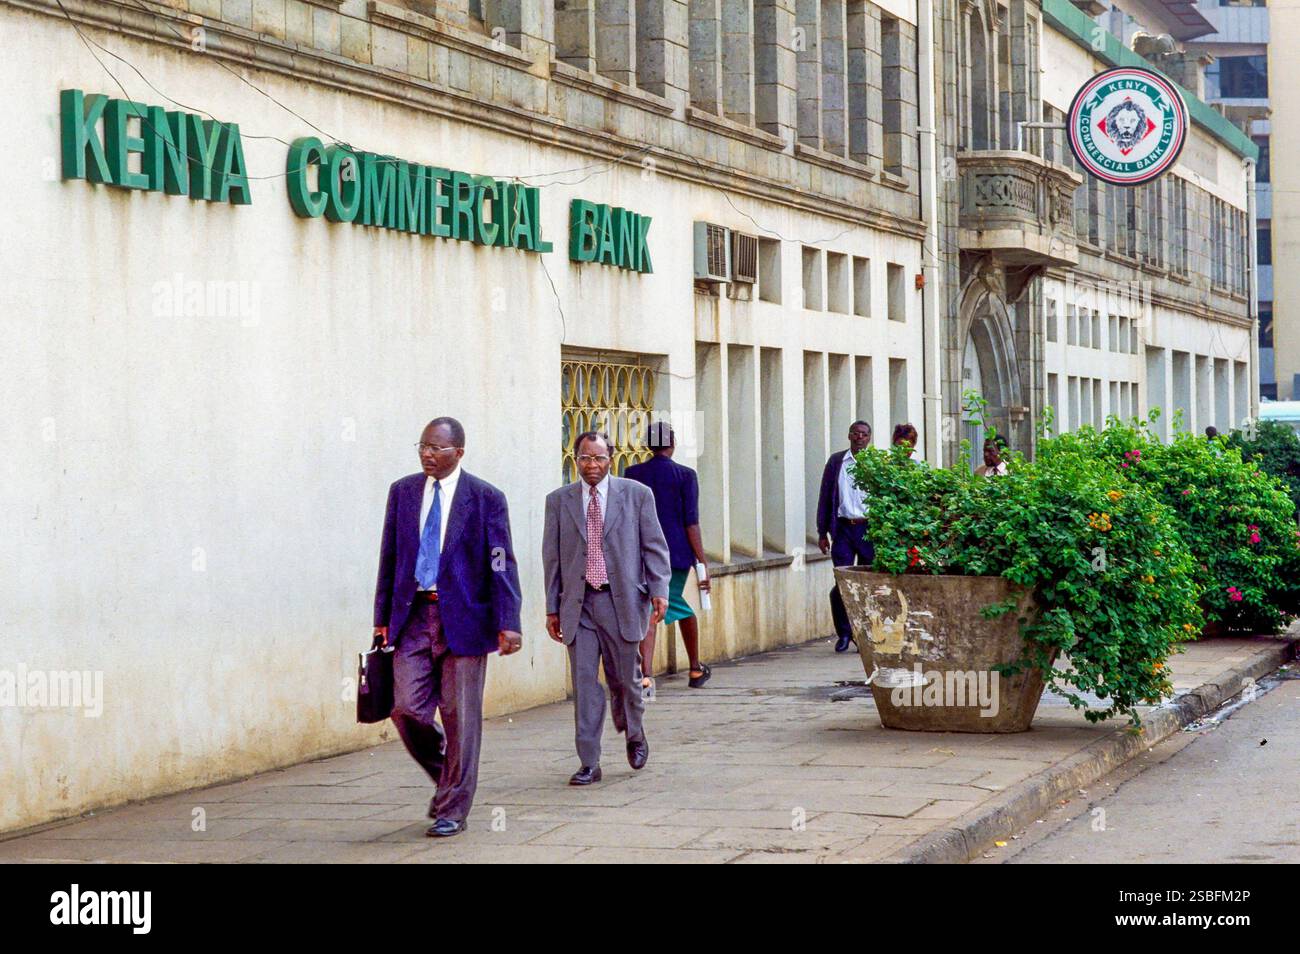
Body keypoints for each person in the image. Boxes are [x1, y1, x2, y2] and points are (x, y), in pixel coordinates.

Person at [373, 417, 523, 839]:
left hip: (466, 619)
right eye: (422, 446)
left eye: (436, 448)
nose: (427, 454)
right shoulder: (402, 493)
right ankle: (449, 777)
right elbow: (389, 557)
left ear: (458, 451)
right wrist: (381, 620)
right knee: (406, 710)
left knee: (460, 716)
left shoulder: (485, 498)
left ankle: (453, 808)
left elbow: (501, 560)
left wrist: (508, 621)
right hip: (413, 617)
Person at [543, 431, 671, 785]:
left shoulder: (637, 496)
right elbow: (552, 558)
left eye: (599, 458)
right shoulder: (559, 501)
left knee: (627, 681)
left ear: (610, 459)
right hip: (579, 605)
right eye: (585, 458)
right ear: (575, 459)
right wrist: (552, 607)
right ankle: (589, 761)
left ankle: (634, 732)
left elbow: (654, 547)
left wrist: (659, 589)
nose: (592, 465)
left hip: (623, 601)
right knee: (584, 684)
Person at [624, 422, 712, 692]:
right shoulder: (685, 475)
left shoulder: (632, 473)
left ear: (648, 444)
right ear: (672, 443)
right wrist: (702, 560)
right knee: (664, 606)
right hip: (675, 553)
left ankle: (650, 675)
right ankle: (691, 668)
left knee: (650, 607)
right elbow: (691, 522)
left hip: (638, 552)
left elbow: (626, 517)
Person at [817, 421, 875, 653]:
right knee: (842, 582)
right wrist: (822, 532)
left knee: (868, 584)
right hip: (842, 529)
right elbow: (825, 496)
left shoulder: (876, 464)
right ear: (849, 435)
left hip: (869, 530)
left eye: (864, 434)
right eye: (855, 433)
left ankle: (865, 633)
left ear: (869, 438)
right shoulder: (836, 462)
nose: (859, 437)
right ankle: (844, 632)